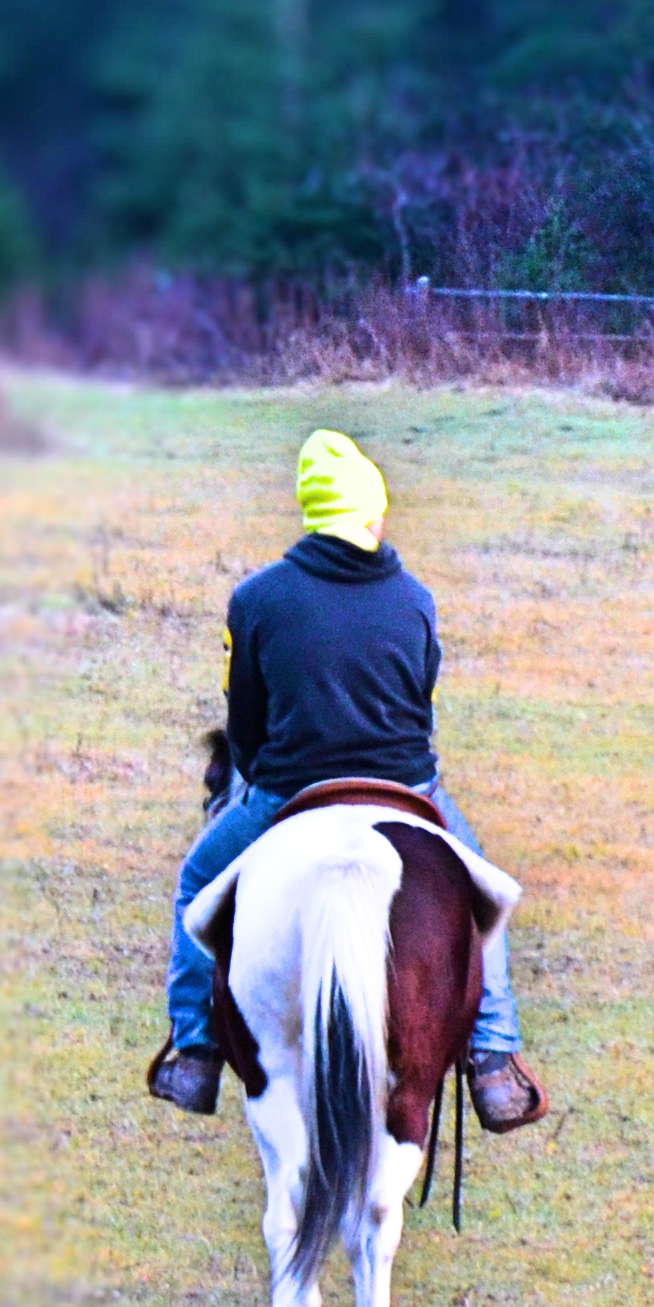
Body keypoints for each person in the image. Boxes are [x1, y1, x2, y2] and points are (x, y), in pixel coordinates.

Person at [150, 429, 547, 1127]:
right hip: (408, 787)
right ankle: (492, 1057)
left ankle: (196, 1049)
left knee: (195, 881)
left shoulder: (256, 601)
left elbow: (242, 725)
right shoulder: (415, 599)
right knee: (483, 890)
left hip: (286, 791)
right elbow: (418, 703)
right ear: (370, 516)